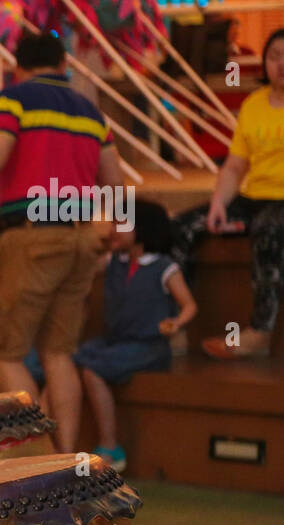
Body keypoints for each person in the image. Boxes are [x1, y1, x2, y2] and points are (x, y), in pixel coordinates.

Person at [0, 32, 122, 453]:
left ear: (18, 67)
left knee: (3, 349)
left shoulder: (13, 99)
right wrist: (119, 228)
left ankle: (39, 460)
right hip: (81, 238)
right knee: (59, 353)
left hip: (31, 237)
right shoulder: (90, 111)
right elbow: (114, 182)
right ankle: (66, 461)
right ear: (62, 64)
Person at [74, 200, 196, 472]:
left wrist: (176, 322)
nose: (113, 229)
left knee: (92, 371)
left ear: (143, 229)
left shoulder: (164, 267)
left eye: (121, 223)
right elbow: (88, 264)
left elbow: (189, 305)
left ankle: (110, 446)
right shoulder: (115, 261)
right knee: (72, 357)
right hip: (115, 341)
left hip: (148, 346)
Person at [200, 27, 284, 360]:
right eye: (274, 57)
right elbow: (235, 166)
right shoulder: (252, 104)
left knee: (268, 229)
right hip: (254, 197)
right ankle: (175, 324)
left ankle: (259, 333)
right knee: (182, 227)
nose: (281, 64)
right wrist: (218, 202)